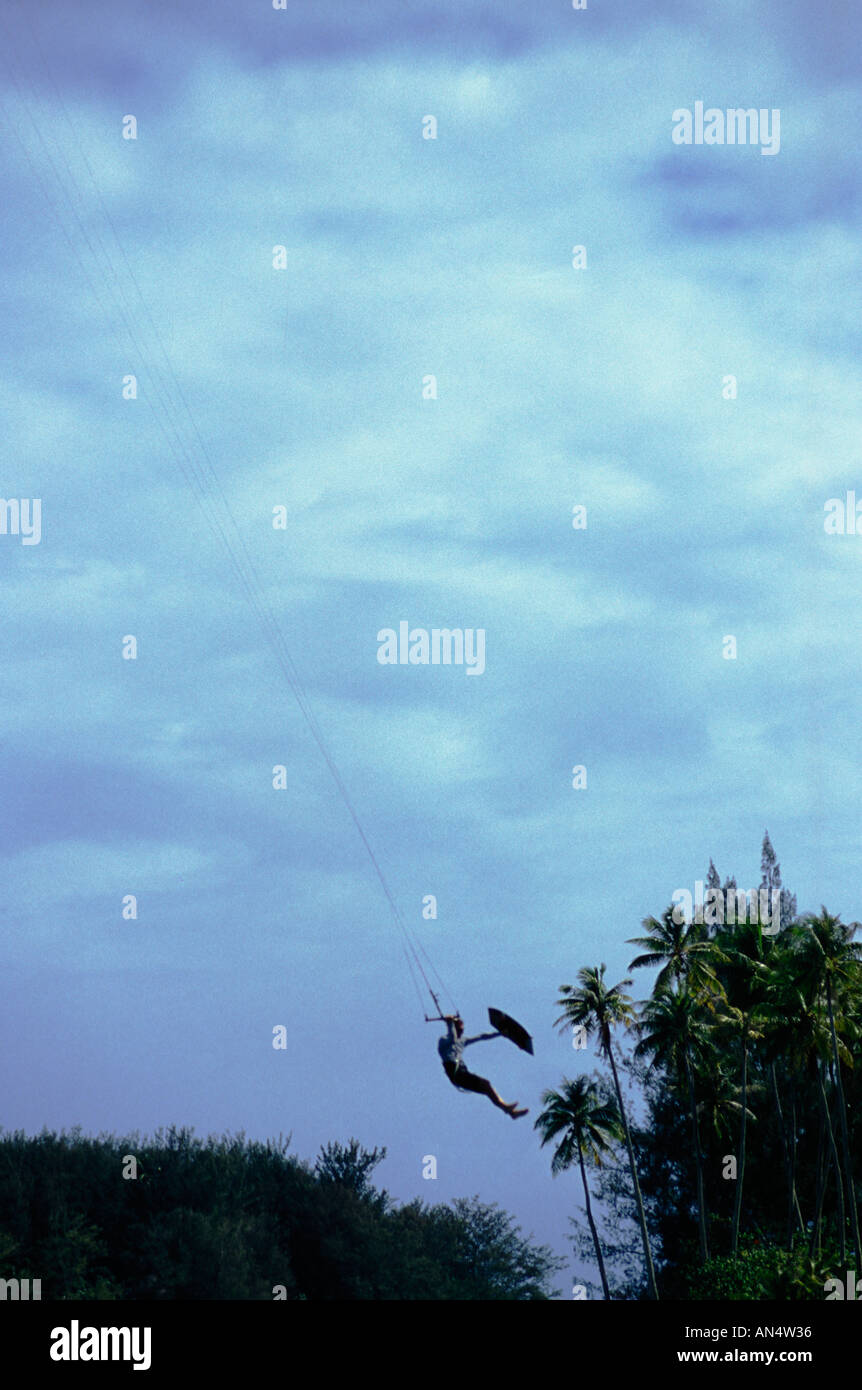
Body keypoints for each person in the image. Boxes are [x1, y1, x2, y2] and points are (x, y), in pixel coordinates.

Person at [438, 1014, 528, 1118]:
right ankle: (506, 1108)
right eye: (459, 1029)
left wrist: (500, 1034)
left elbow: (482, 1037)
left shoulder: (462, 1041)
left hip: (462, 1072)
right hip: (455, 1073)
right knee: (485, 1085)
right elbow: (452, 1038)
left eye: (462, 1030)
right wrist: (449, 1023)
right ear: (454, 1027)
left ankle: (511, 1112)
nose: (461, 1032)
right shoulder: (443, 1040)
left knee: (486, 1086)